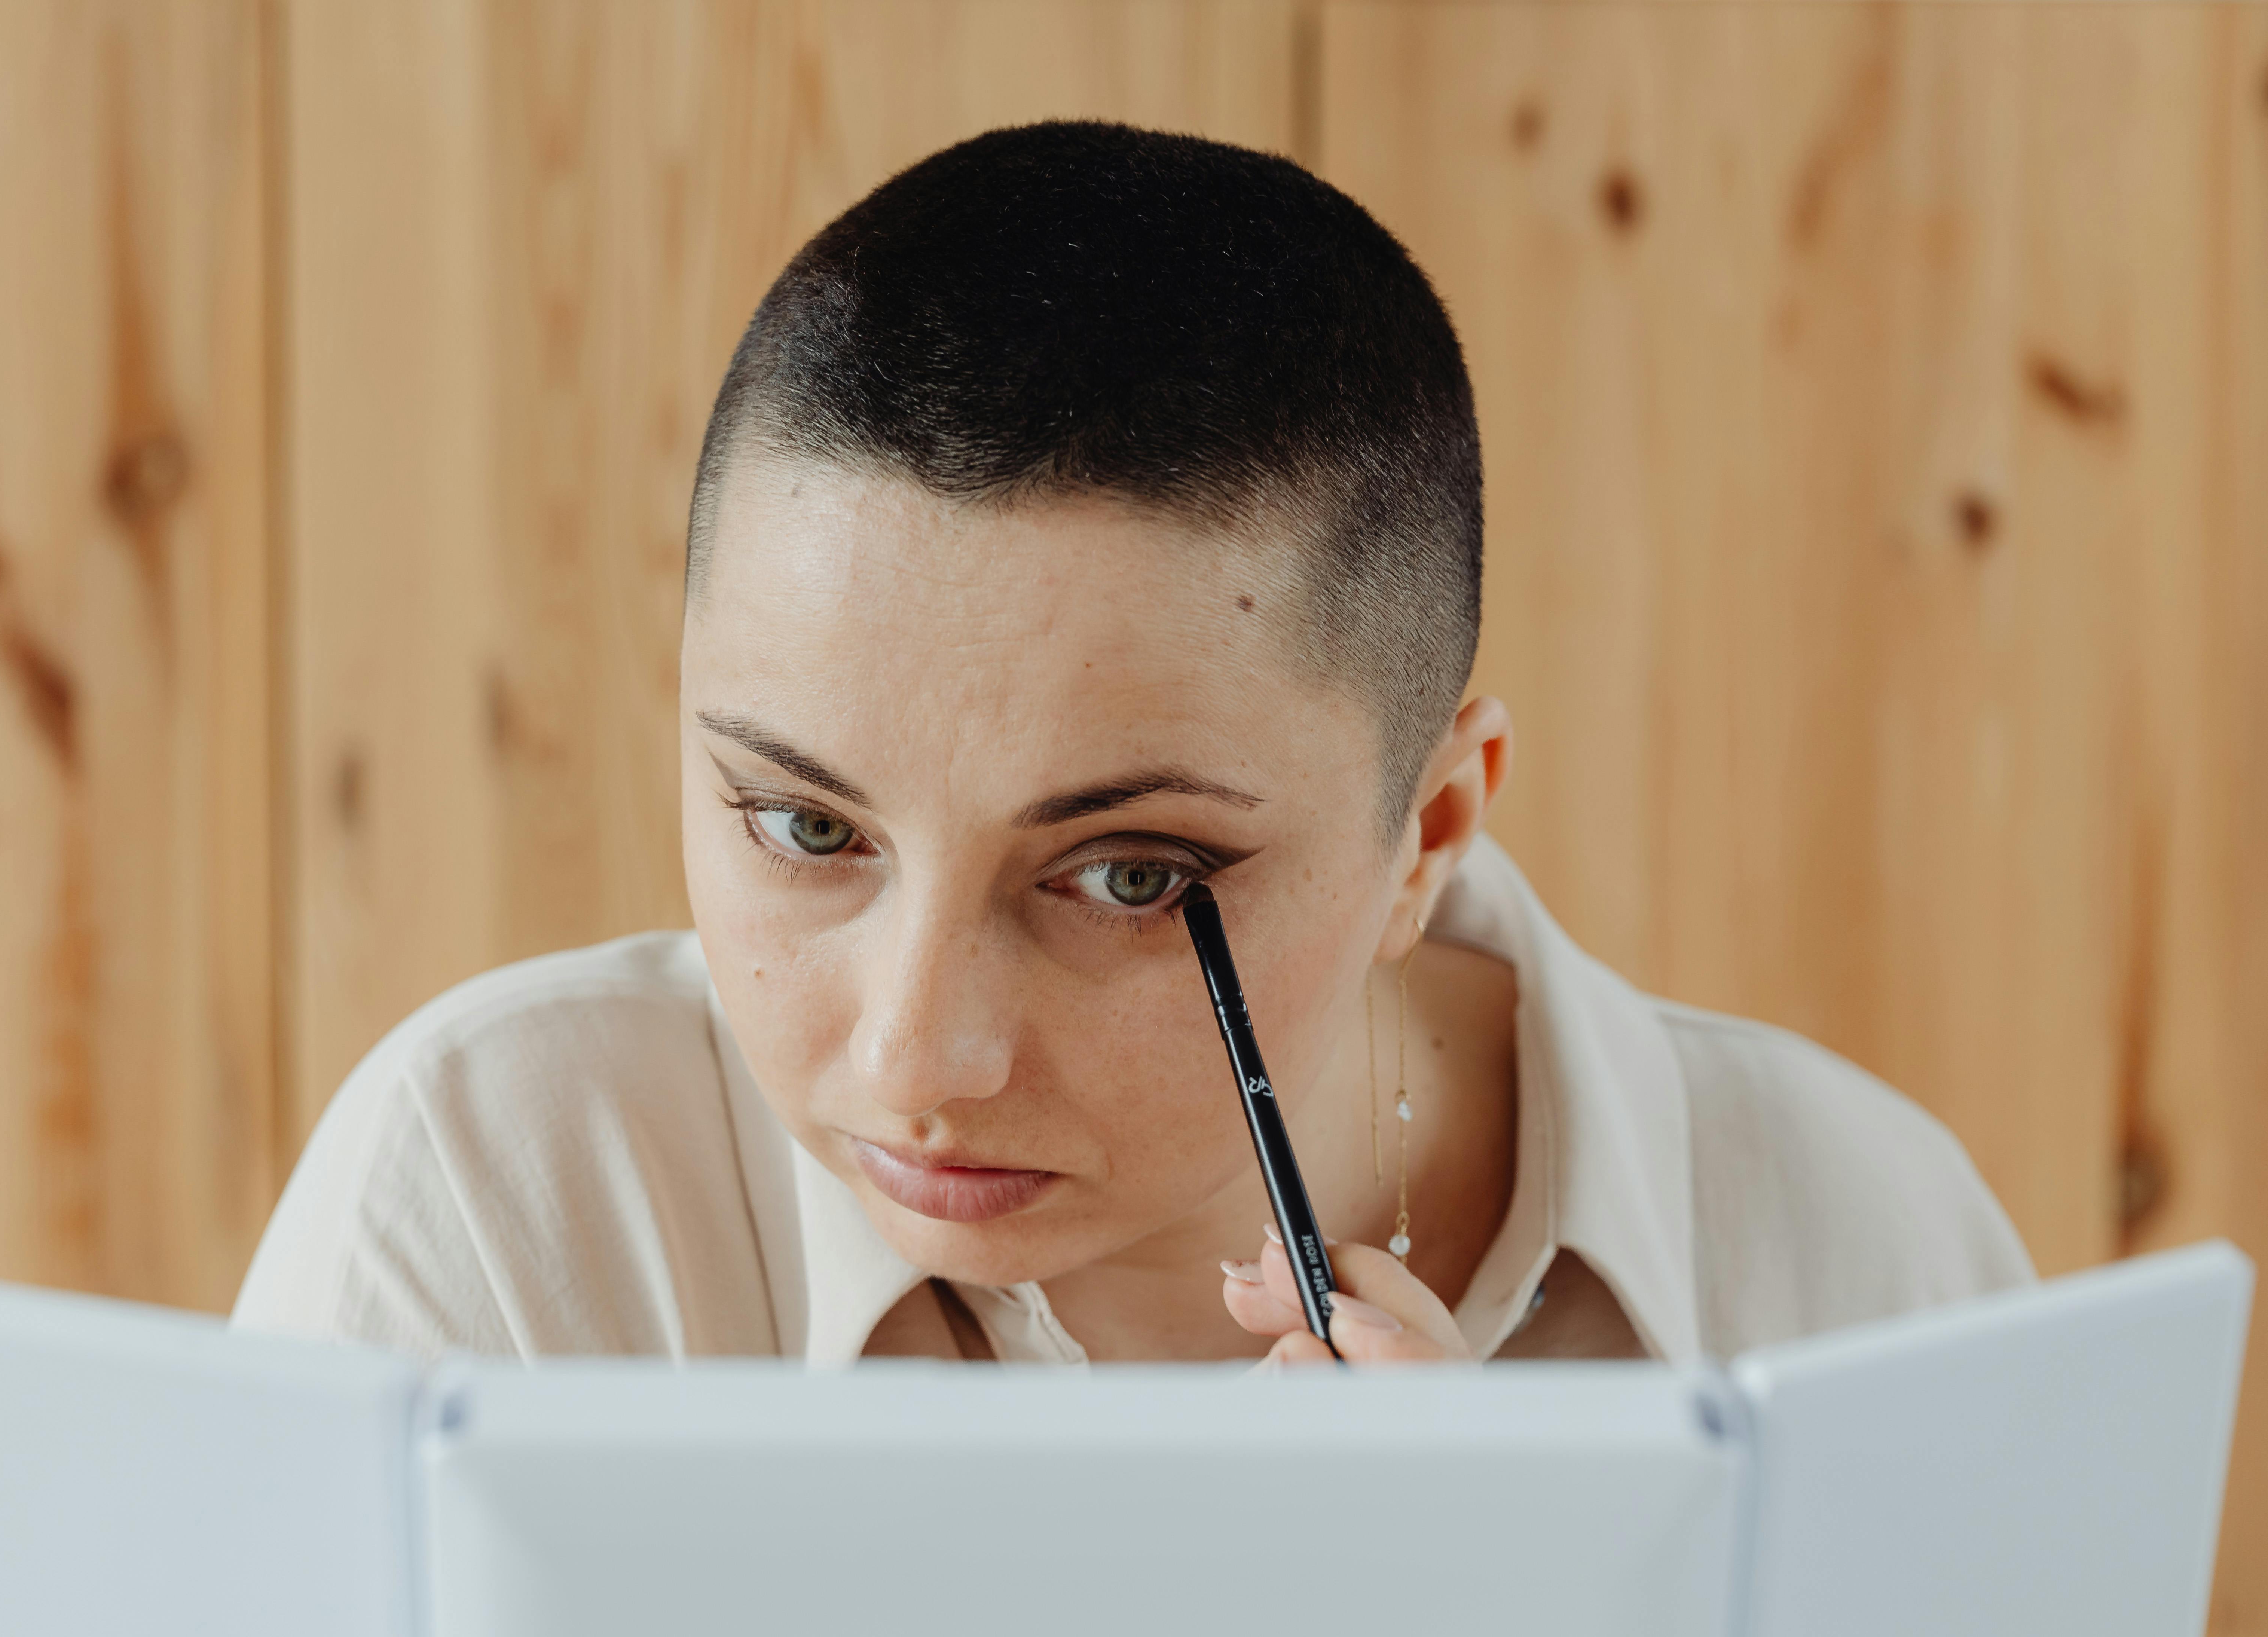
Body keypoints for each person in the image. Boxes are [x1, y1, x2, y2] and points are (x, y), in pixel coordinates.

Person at [233, 121, 2030, 1369]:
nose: (919, 1050)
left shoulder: (1857, 1261)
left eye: (1128, 874)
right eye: (802, 825)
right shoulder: (494, 1204)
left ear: (1432, 830)